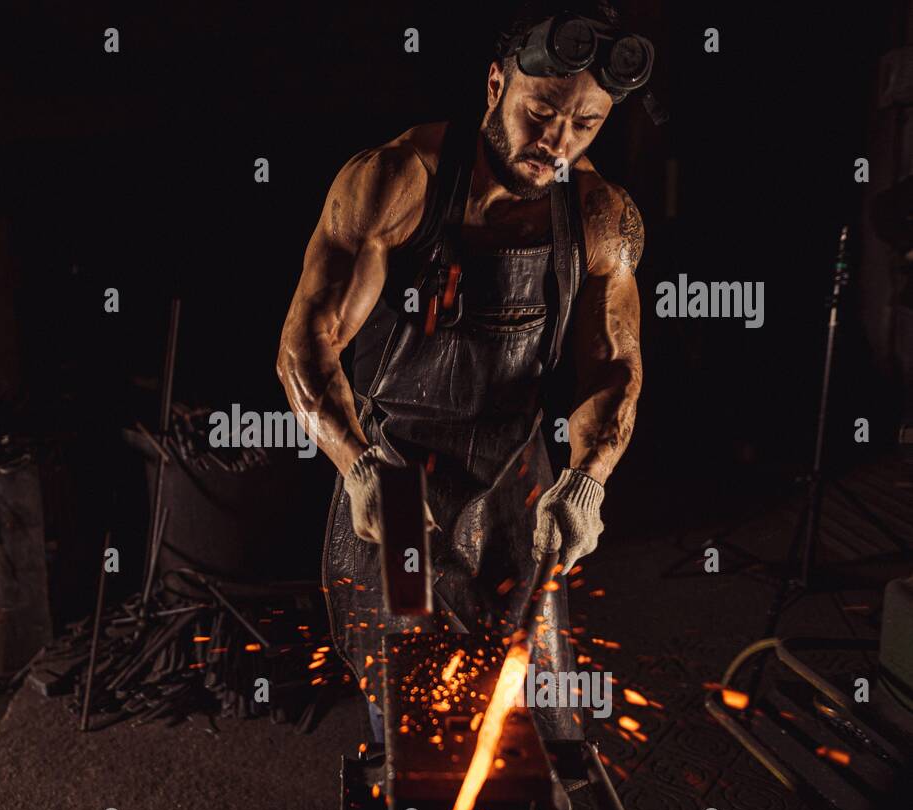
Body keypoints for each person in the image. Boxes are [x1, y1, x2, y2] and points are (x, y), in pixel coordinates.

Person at [276, 2, 646, 746]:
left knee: (537, 695)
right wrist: (357, 468)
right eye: (540, 112)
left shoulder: (602, 215)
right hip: (399, 472)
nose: (555, 142)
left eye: (585, 125)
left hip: (520, 474)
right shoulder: (393, 181)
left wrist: (590, 479)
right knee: (411, 701)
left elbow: (613, 366)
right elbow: (305, 347)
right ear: (493, 84)